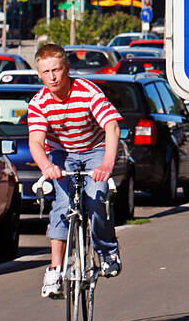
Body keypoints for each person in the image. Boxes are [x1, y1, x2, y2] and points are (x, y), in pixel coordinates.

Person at [27, 42, 123, 298]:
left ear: (66, 68)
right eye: (46, 72)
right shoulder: (38, 102)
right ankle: (55, 271)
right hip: (63, 154)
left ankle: (107, 251)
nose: (52, 77)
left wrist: (107, 165)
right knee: (60, 204)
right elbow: (36, 141)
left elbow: (112, 127)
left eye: (56, 70)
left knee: (96, 200)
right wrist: (47, 166)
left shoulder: (88, 91)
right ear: (39, 74)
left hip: (95, 150)